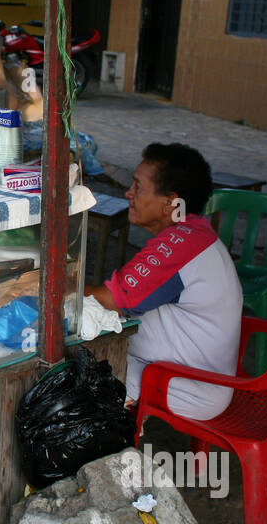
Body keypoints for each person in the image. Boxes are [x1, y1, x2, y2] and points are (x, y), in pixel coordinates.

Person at [91, 143, 242, 420]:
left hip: (188, 385)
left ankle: (115, 448)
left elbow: (110, 299)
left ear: (171, 202)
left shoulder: (181, 244)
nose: (129, 194)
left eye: (138, 187)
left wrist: (48, 286)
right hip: (189, 372)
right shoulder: (193, 232)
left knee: (83, 375)